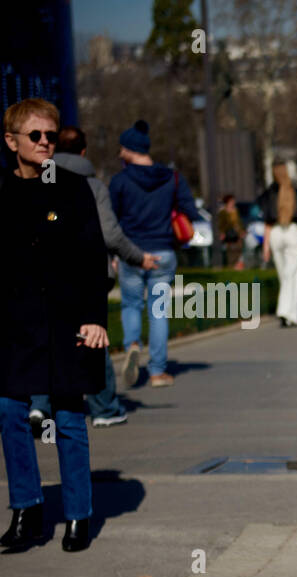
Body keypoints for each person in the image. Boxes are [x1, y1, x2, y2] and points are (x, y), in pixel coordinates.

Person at [0, 98, 108, 553]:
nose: (46, 143)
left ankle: (78, 516)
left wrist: (95, 319)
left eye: (51, 135)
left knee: (67, 416)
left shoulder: (70, 189)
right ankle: (26, 510)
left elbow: (92, 256)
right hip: (16, 325)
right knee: (8, 409)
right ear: (12, 142)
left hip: (67, 321)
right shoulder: (3, 192)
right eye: (36, 136)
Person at [31, 125, 159, 432]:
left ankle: (39, 405)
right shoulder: (91, 186)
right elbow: (110, 234)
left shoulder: (36, 182)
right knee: (92, 338)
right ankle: (104, 408)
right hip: (86, 275)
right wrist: (138, 257)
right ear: (84, 152)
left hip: (44, 275)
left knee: (46, 338)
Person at [109, 119, 200, 389]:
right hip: (163, 250)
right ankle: (158, 371)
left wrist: (116, 251)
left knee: (131, 305)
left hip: (131, 251)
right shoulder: (172, 177)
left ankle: (132, 344)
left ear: (129, 149)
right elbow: (190, 211)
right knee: (158, 311)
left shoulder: (120, 181)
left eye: (121, 148)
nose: (119, 153)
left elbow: (111, 219)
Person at [255, 160, 297, 327]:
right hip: (291, 231)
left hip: (275, 234)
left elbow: (267, 223)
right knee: (292, 274)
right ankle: (288, 312)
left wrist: (265, 246)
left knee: (285, 275)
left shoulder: (267, 195)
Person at [215, 194, 244, 269]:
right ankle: (230, 265)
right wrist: (222, 232)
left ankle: (237, 265)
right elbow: (221, 223)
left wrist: (241, 231)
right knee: (229, 250)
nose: (233, 202)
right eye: (231, 201)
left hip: (236, 233)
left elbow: (238, 222)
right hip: (227, 233)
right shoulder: (222, 211)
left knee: (238, 249)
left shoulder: (235, 210)